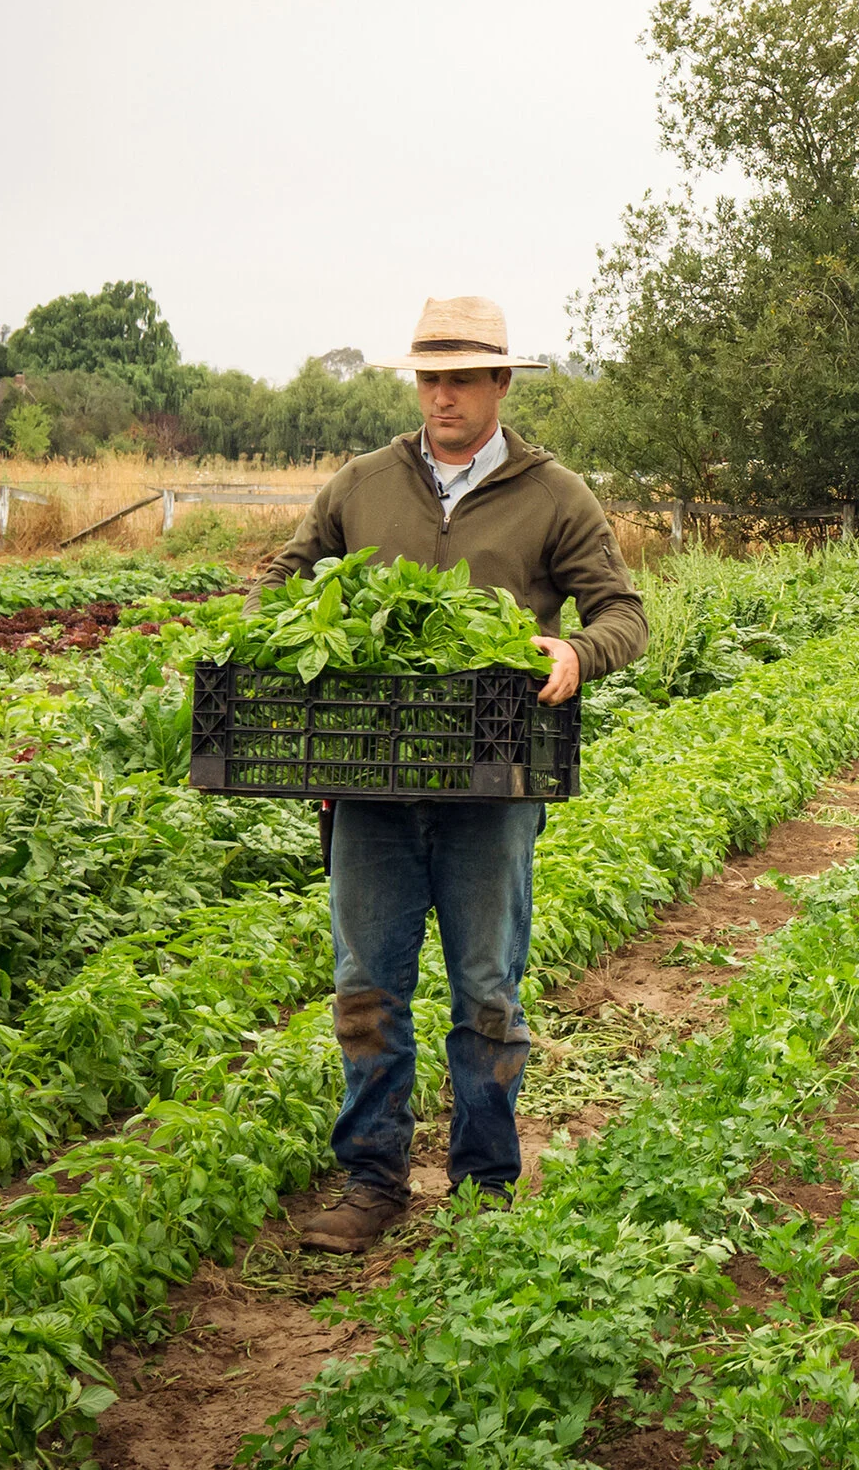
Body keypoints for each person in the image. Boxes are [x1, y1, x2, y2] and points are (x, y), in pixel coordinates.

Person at [263, 295, 648, 1254]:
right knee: (366, 986)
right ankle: (372, 1180)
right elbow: (281, 581)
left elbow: (623, 616)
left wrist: (573, 654)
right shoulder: (361, 483)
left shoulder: (555, 495)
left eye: (461, 377)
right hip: (369, 781)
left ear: (499, 384)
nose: (441, 394)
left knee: (486, 988)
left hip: (493, 781)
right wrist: (285, 643)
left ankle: (483, 1187)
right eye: (429, 376)